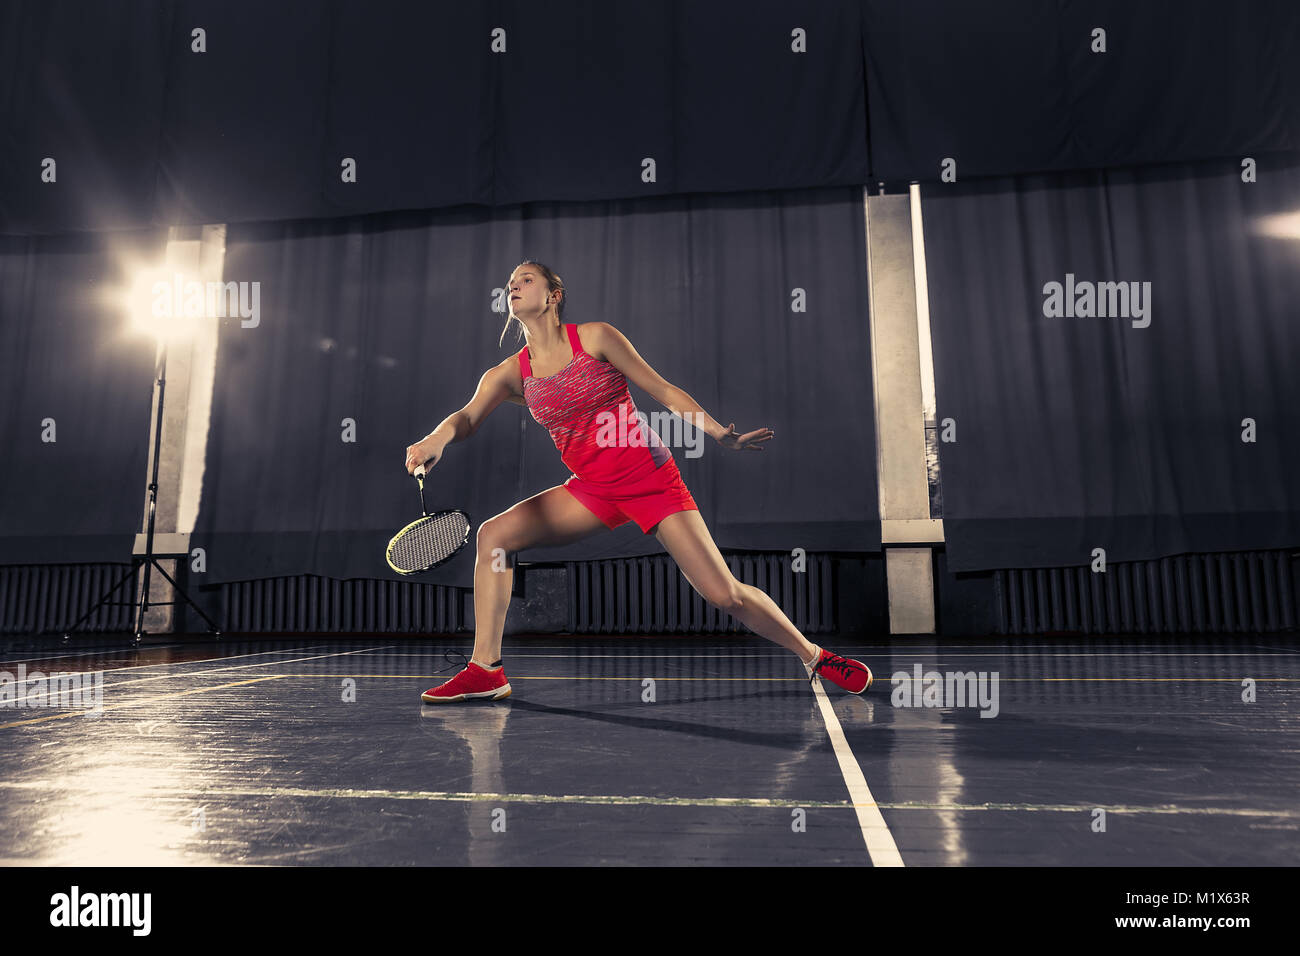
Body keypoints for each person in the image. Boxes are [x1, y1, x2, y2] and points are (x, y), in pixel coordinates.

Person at [404, 260, 872, 703]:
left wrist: (716, 433)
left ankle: (815, 657)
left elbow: (662, 389)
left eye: (526, 279)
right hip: (591, 489)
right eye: (511, 282)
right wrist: (433, 440)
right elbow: (465, 418)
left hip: (650, 479)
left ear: (553, 295)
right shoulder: (510, 374)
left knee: (724, 594)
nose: (514, 286)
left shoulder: (596, 338)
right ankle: (486, 670)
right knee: (495, 535)